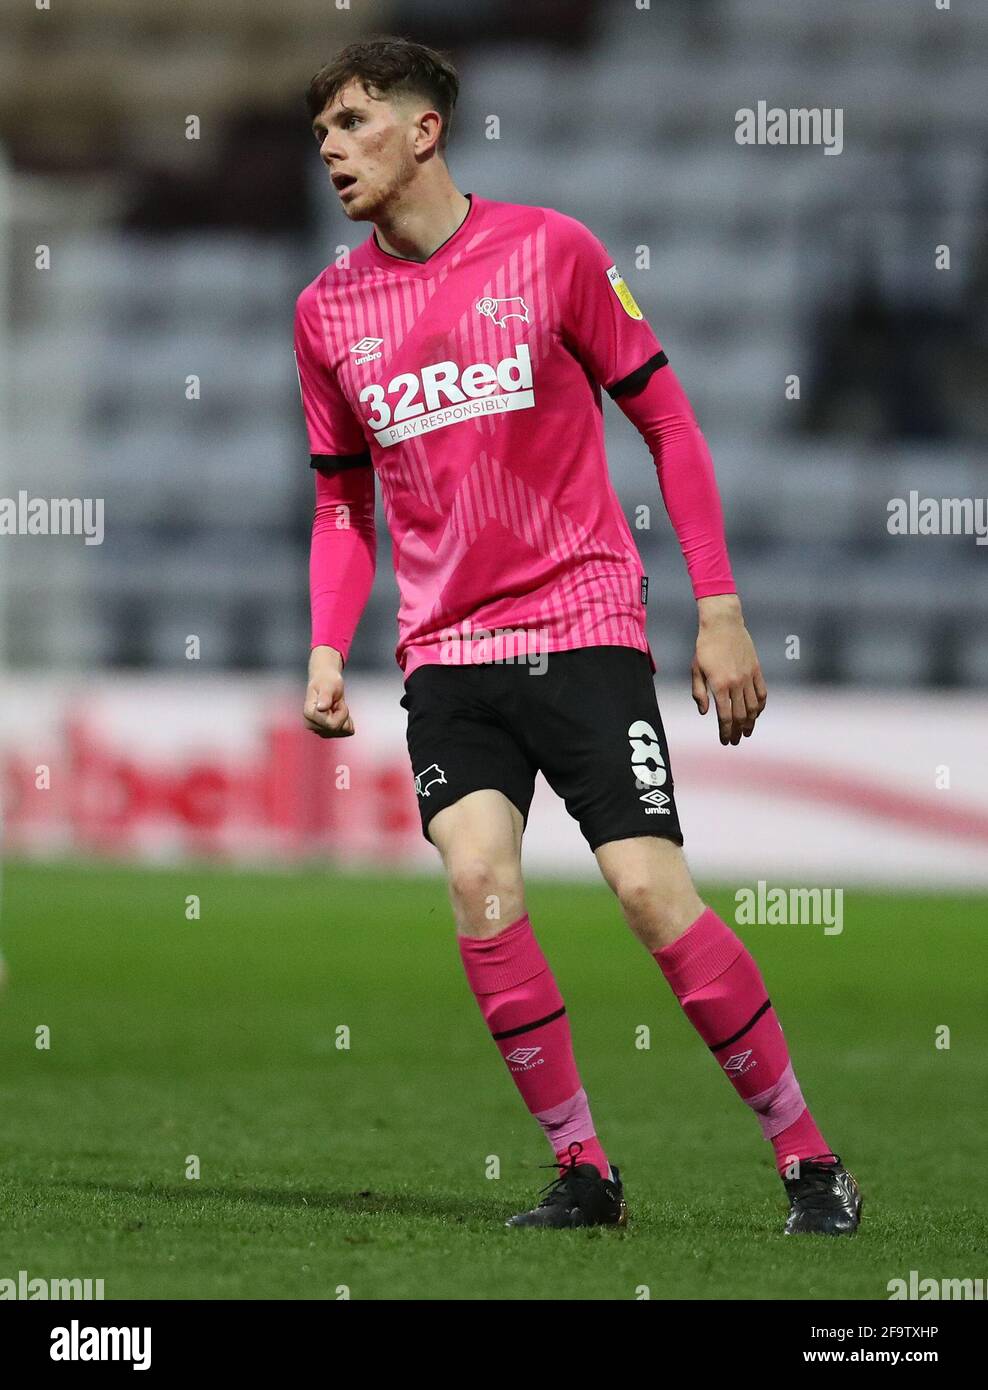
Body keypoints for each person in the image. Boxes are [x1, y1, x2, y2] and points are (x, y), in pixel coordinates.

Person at [296, 35, 861, 1234]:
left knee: (650, 893)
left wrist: (717, 605)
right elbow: (342, 498)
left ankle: (808, 1159)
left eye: (352, 124)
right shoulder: (324, 309)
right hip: (445, 653)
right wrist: (325, 646)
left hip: (582, 623)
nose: (333, 152)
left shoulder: (551, 251)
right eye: (322, 136)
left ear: (423, 128)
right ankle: (584, 1171)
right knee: (478, 884)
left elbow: (668, 420)